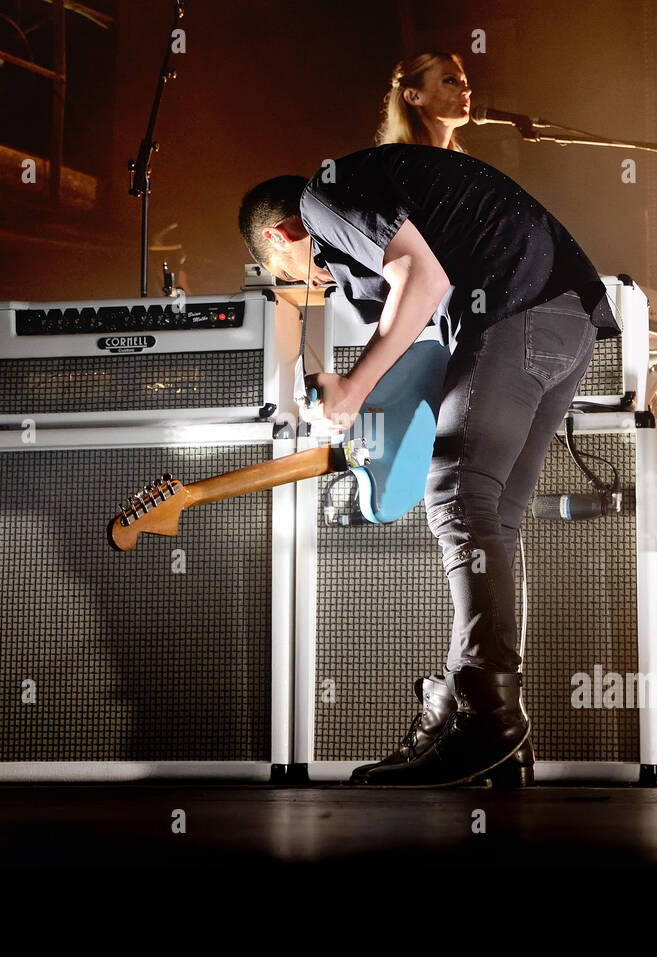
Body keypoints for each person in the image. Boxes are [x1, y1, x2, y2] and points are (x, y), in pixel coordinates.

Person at [238, 145, 619, 787]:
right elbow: (422, 350)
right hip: (565, 324)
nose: (319, 283)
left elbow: (424, 281)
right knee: (492, 519)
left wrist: (352, 389)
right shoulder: (386, 200)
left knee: (459, 498)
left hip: (514, 312)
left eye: (296, 273)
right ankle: (482, 722)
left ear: (282, 234)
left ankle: (487, 715)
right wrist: (364, 412)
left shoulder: (321, 198)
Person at [376, 52, 471, 151]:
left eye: (465, 82)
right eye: (450, 81)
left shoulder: (455, 163)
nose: (467, 91)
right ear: (414, 96)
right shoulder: (398, 162)